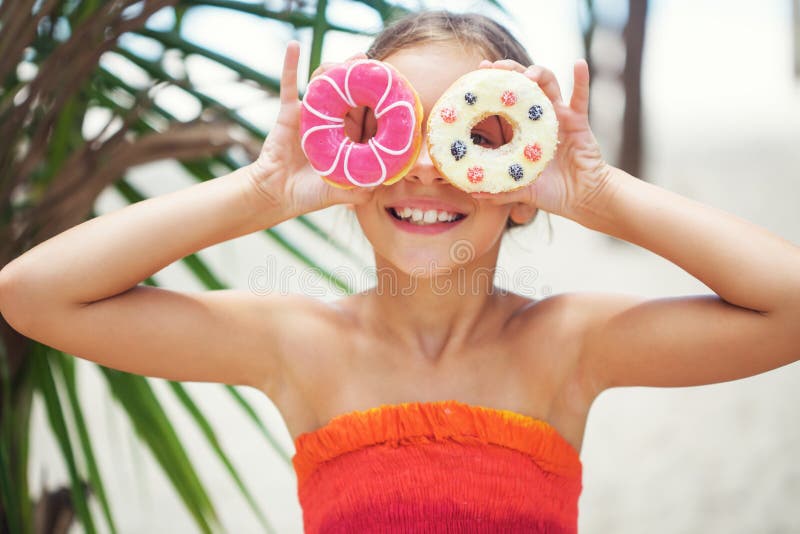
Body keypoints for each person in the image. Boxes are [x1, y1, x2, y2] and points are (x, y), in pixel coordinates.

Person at [1, 9, 799, 534]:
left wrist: (596, 192)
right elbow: (33, 295)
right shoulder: (298, 344)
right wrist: (261, 192)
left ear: (521, 188)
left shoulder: (565, 344)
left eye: (472, 137)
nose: (424, 169)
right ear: (343, 167)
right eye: (390, 131)